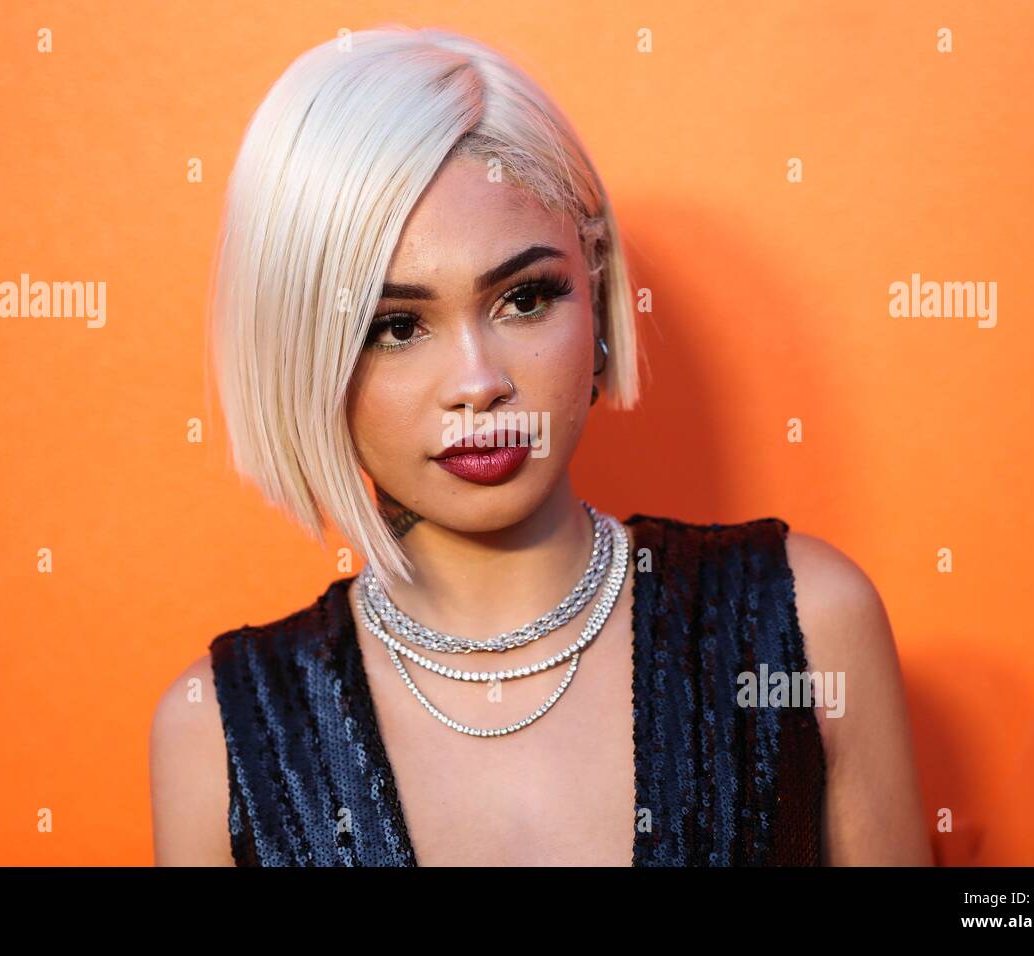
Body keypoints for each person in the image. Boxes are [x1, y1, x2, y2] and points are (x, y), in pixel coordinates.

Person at [149, 25, 932, 867]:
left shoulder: (806, 621)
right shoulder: (215, 735)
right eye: (397, 326)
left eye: (524, 299)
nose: (479, 382)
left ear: (594, 292)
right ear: (302, 356)